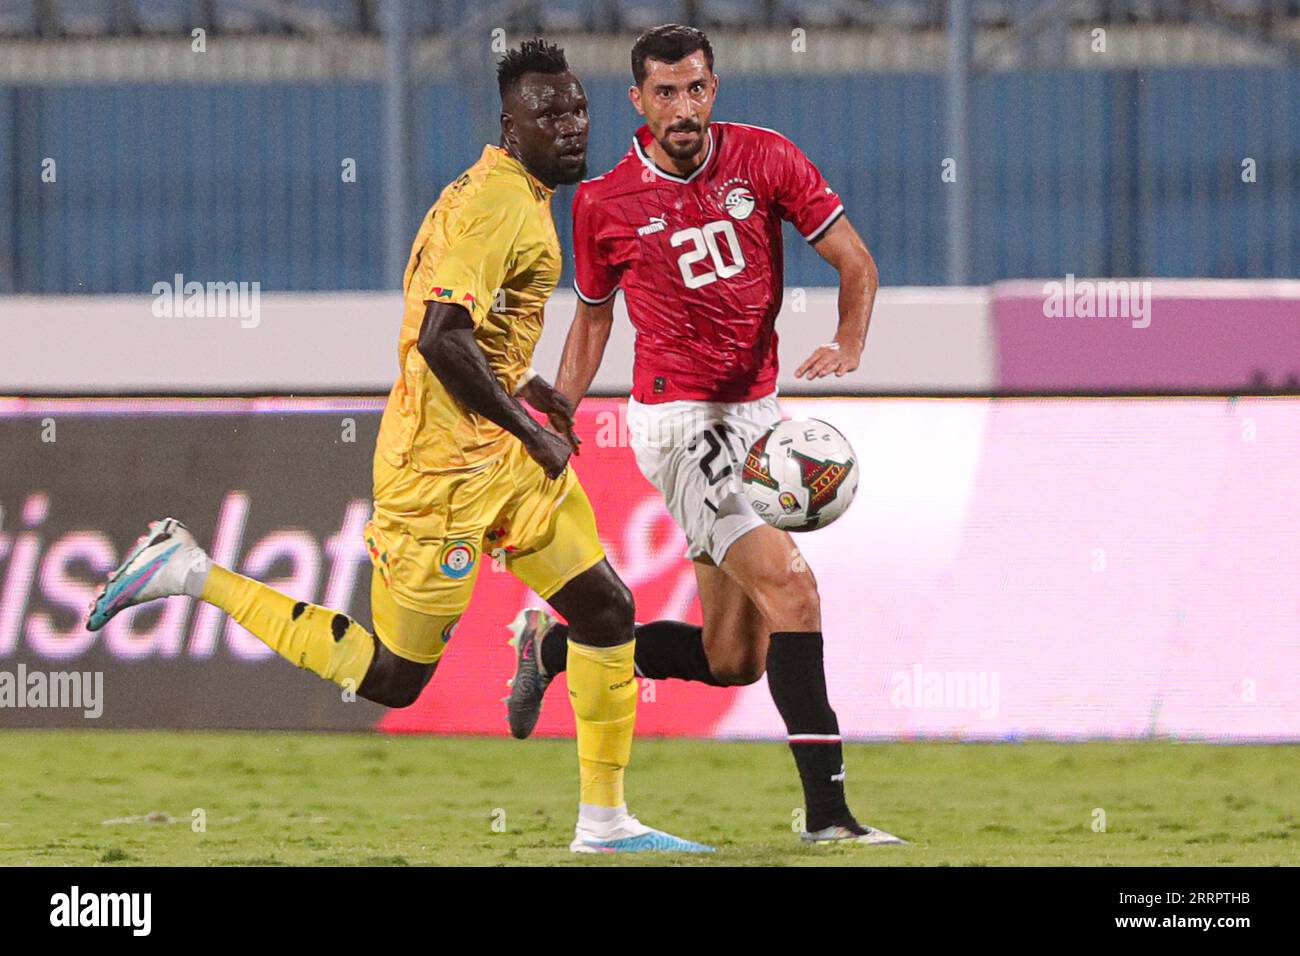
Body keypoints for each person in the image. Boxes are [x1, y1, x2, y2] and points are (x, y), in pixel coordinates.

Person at [87, 38, 710, 856]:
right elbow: (439, 341)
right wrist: (535, 429)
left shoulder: (515, 194)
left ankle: (604, 823)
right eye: (547, 113)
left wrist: (519, 392)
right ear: (508, 125)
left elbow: (470, 336)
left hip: (501, 461)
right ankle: (189, 570)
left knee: (607, 611)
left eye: (576, 108)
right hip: (438, 478)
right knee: (395, 679)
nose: (569, 125)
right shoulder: (497, 206)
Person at [505, 25, 904, 846]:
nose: (682, 108)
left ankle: (552, 648)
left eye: (695, 90)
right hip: (680, 422)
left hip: (761, 413)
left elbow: (855, 262)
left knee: (735, 659)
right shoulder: (606, 202)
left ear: (712, 90)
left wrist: (850, 341)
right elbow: (591, 322)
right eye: (665, 93)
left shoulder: (765, 159)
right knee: (793, 588)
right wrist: (562, 418)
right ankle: (828, 819)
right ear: (638, 101)